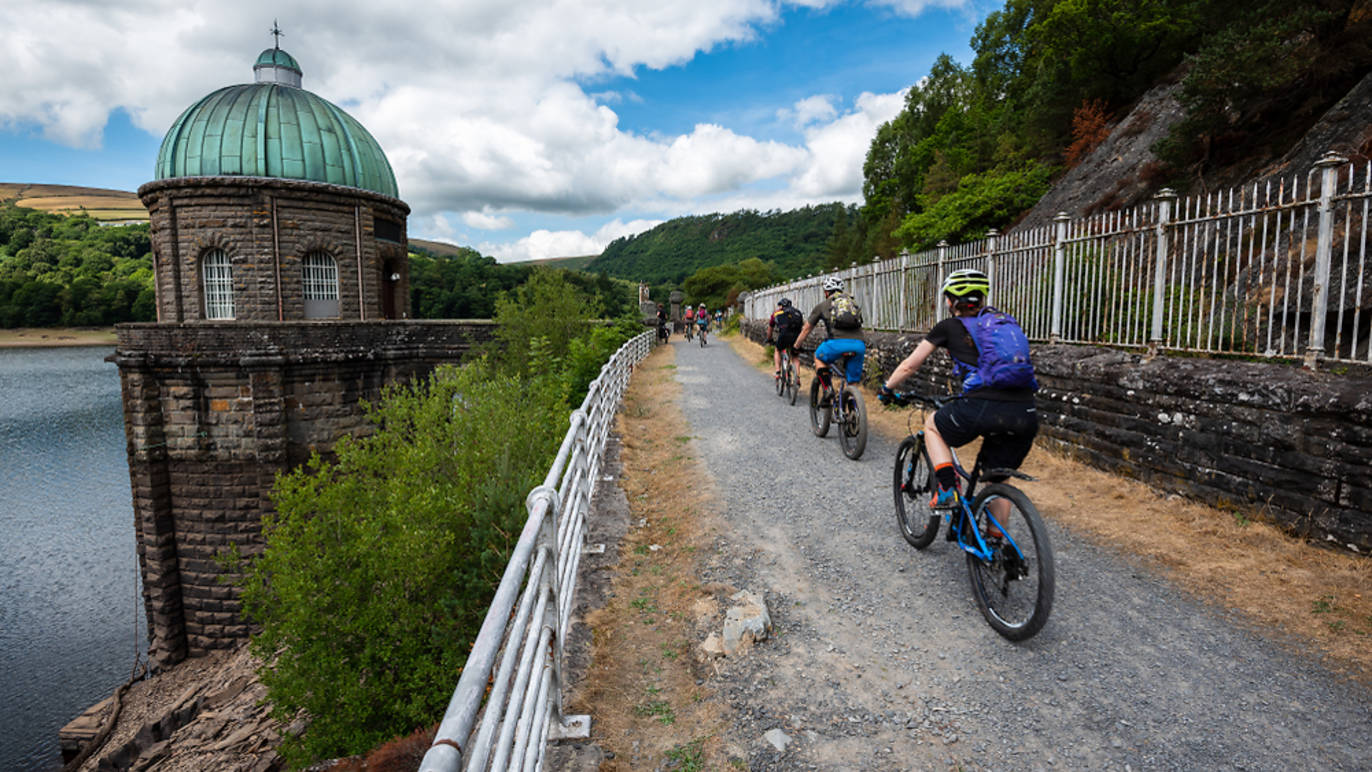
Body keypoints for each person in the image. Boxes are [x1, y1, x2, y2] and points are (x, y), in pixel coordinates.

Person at [878, 269, 1038, 514]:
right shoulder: (1002, 324)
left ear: (951, 301)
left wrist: (887, 388)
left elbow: (910, 365)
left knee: (932, 426)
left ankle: (947, 489)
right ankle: (995, 537)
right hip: (1025, 410)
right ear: (981, 297)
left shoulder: (948, 326)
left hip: (982, 405)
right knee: (999, 481)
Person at [793, 276, 866, 399]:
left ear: (826, 292)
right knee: (852, 382)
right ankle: (852, 404)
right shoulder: (853, 304)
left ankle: (828, 389)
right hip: (859, 345)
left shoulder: (822, 305)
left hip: (836, 344)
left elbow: (806, 329)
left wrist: (796, 346)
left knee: (819, 357)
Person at [767, 298, 803, 380]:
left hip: (784, 335)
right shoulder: (797, 312)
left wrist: (769, 339)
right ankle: (797, 378)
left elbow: (770, 328)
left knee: (777, 350)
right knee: (795, 356)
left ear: (781, 306)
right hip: (796, 336)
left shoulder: (776, 313)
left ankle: (777, 372)